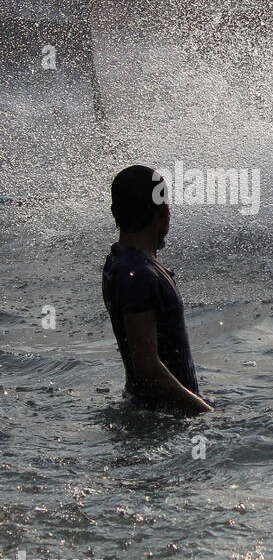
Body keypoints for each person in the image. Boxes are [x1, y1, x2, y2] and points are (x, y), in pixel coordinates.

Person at [102, 165, 212, 414]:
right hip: (159, 417)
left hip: (150, 410)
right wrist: (204, 412)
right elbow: (147, 367)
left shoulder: (119, 263)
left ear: (114, 212)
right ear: (163, 212)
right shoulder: (137, 274)